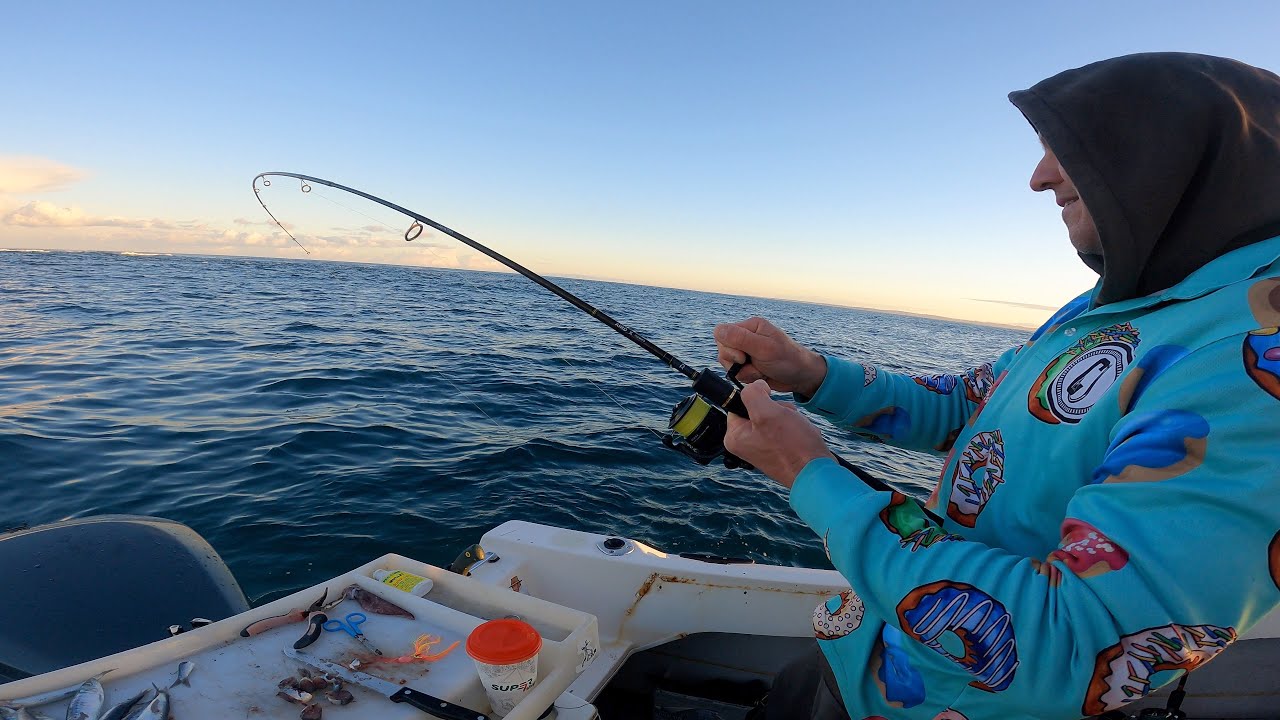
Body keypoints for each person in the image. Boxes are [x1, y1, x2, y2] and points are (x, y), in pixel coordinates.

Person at [715, 52, 1280, 720]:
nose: (1040, 178)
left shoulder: (1251, 362)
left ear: (1173, 156)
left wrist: (807, 471)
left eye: (1069, 150)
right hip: (869, 649)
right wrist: (809, 373)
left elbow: (1068, 646)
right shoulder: (1113, 303)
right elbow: (966, 407)